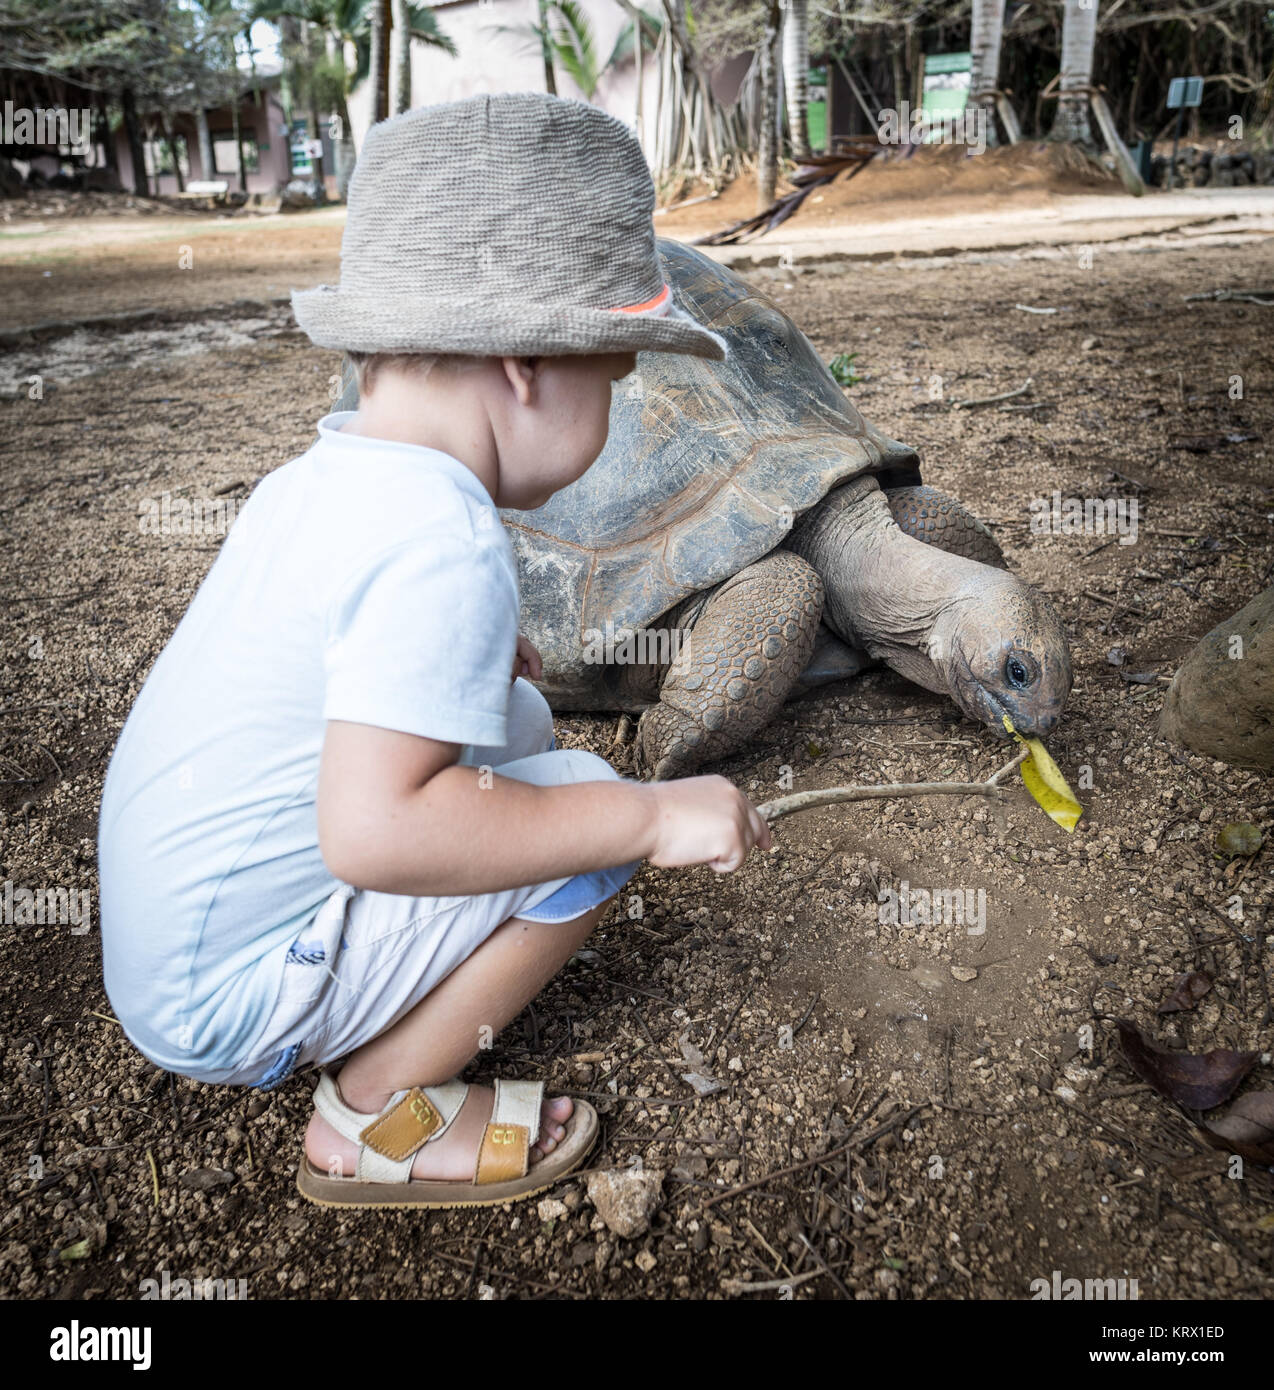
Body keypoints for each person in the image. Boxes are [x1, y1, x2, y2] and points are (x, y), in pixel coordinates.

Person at [97, 93, 770, 1209]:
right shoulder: (441, 534)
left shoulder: (326, 477)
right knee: (588, 816)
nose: (609, 412)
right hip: (228, 999)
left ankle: (362, 1019)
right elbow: (374, 831)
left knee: (520, 738)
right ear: (523, 363)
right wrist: (651, 816)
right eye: (613, 380)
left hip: (173, 951)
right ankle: (370, 1110)